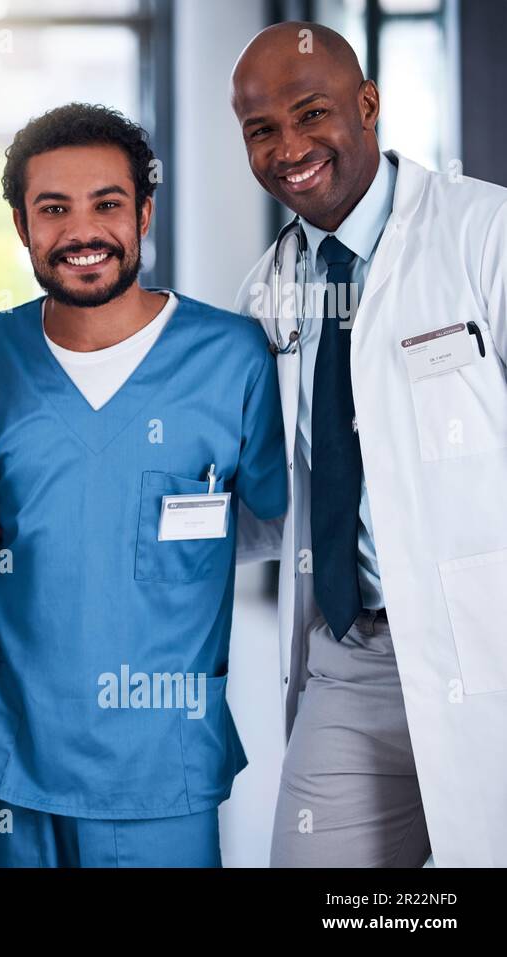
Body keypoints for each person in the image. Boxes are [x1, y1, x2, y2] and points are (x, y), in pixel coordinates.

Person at [0, 104, 286, 867]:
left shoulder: (230, 357)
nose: (83, 231)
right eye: (53, 208)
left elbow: (273, 519)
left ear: (144, 211)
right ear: (21, 224)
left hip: (158, 768)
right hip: (11, 757)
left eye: (107, 203)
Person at [231, 22, 507, 867]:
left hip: (489, 641)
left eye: (311, 113)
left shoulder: (483, 233)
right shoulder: (267, 295)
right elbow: (278, 498)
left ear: (368, 105)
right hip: (352, 659)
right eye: (261, 129)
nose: (290, 148)